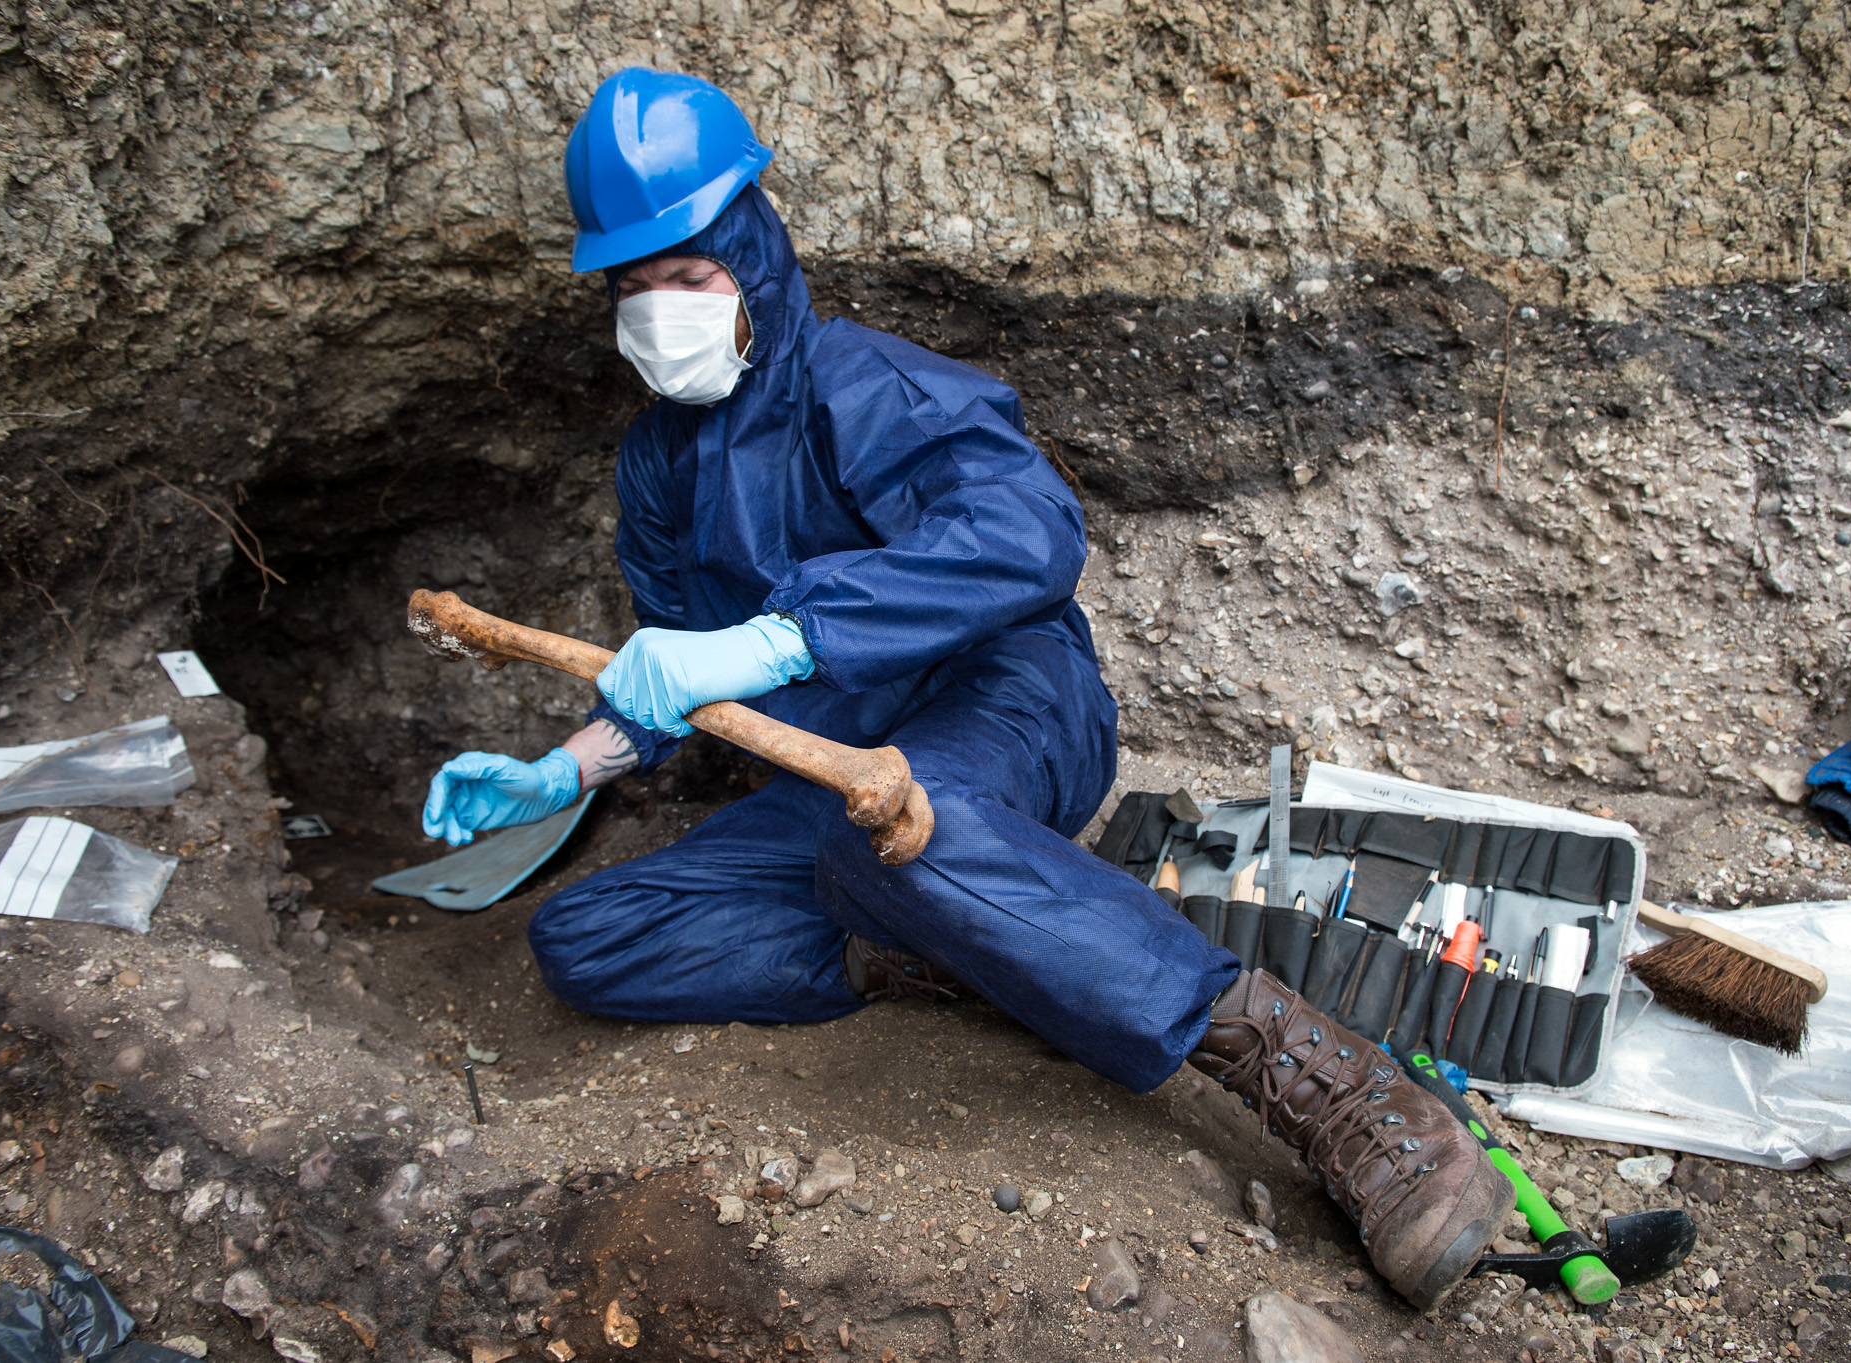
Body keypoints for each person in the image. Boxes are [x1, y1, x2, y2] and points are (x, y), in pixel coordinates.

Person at [419, 67, 1510, 1310]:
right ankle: (963, 947)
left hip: (1007, 711)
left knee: (911, 837)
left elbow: (1027, 535)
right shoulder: (657, 461)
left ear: (754, 255)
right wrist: (564, 769)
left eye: (689, 273)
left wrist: (779, 639)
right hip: (829, 770)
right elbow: (673, 672)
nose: (658, 308)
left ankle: (1335, 1091)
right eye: (632, 284)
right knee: (588, 938)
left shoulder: (864, 387)